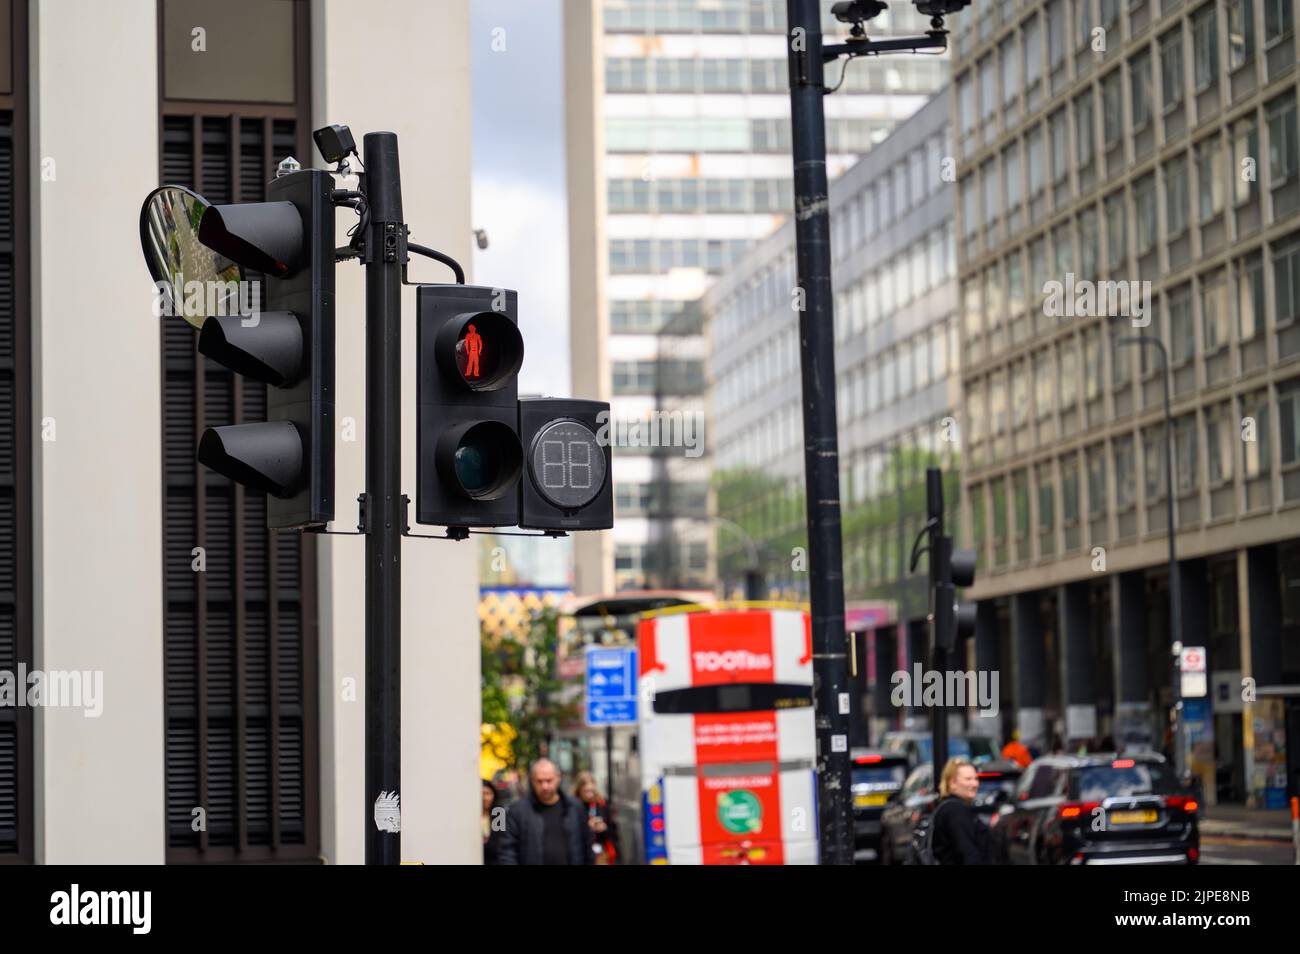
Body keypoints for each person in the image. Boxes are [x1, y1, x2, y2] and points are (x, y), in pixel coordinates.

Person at [497, 759, 592, 865]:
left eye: (549, 780)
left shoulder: (575, 808)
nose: (545, 786)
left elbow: (587, 847)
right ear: (532, 781)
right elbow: (507, 851)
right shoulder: (517, 811)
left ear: (558, 778)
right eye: (540, 781)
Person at [930, 757, 993, 865]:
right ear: (952, 783)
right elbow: (967, 853)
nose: (975, 784)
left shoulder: (947, 807)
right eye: (968, 779)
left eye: (976, 778)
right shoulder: (956, 811)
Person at [573, 771, 618, 864]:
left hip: (600, 854)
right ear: (579, 789)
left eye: (591, 791)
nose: (589, 794)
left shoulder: (601, 805)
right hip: (580, 854)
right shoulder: (573, 807)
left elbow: (613, 833)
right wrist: (587, 827)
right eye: (586, 791)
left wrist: (604, 829)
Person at [482, 778, 503, 865]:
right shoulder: (470, 815)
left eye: (488, 793)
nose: (485, 798)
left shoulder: (498, 814)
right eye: (482, 794)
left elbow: (497, 844)